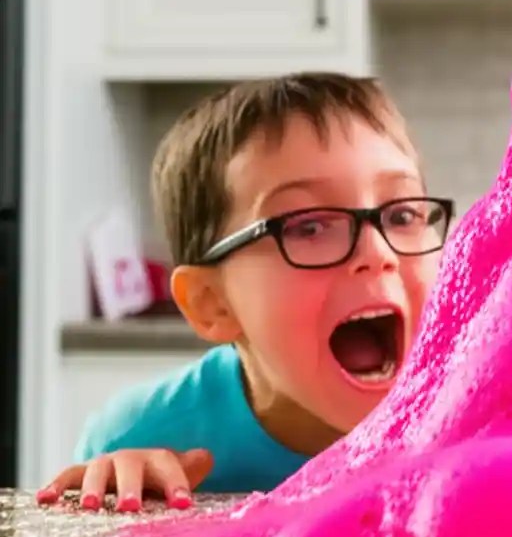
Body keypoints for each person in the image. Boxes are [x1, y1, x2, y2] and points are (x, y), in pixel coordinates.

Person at [35, 72, 452, 511]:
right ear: (211, 303)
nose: (378, 252)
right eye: (309, 227)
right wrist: (124, 505)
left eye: (402, 216)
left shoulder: (479, 411)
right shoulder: (142, 438)